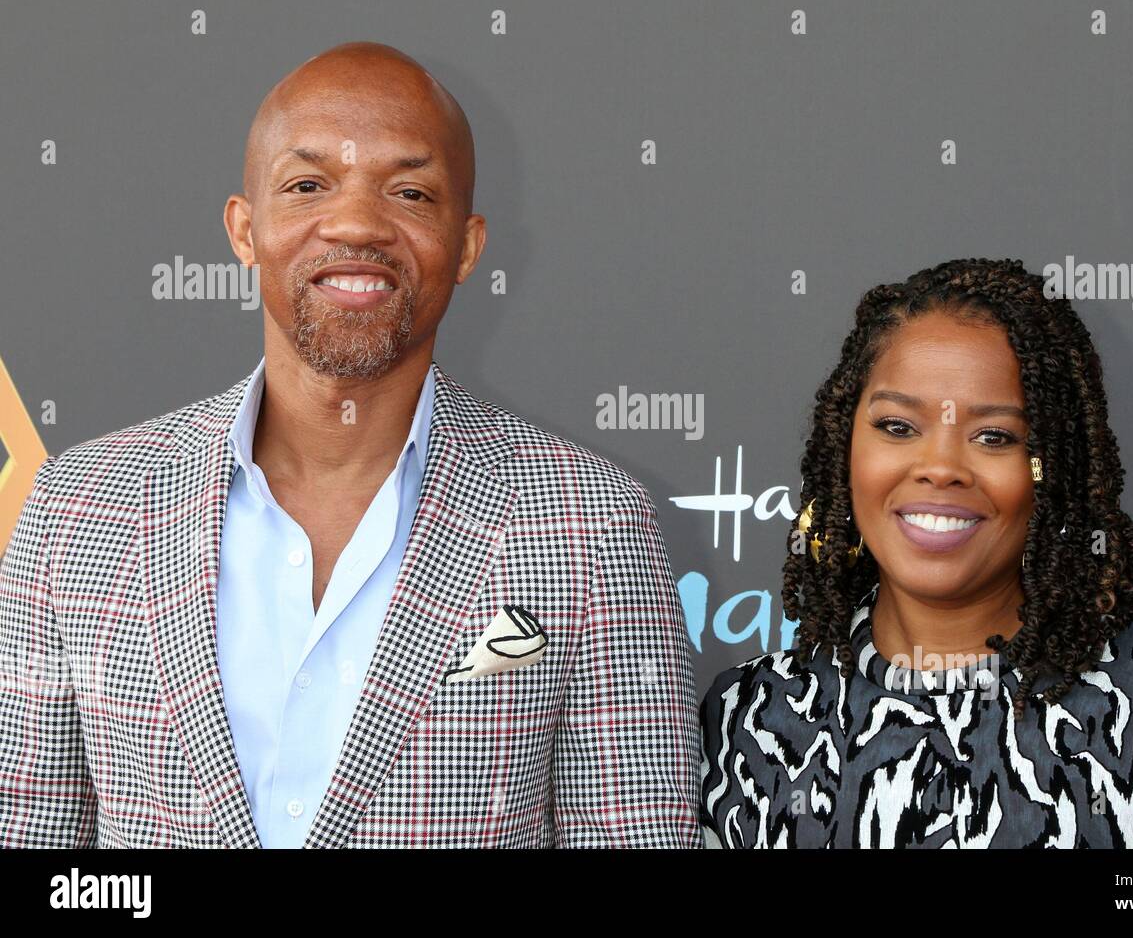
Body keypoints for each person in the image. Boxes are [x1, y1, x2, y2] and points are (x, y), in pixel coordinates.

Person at [0, 42, 700, 848]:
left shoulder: (590, 522)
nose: (358, 224)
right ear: (244, 229)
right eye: (307, 186)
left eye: (409, 191)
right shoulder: (78, 510)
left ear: (468, 247)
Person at [699, 257, 1133, 848]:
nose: (940, 468)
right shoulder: (750, 716)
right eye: (898, 427)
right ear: (843, 448)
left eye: (995, 437)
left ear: (1052, 470)